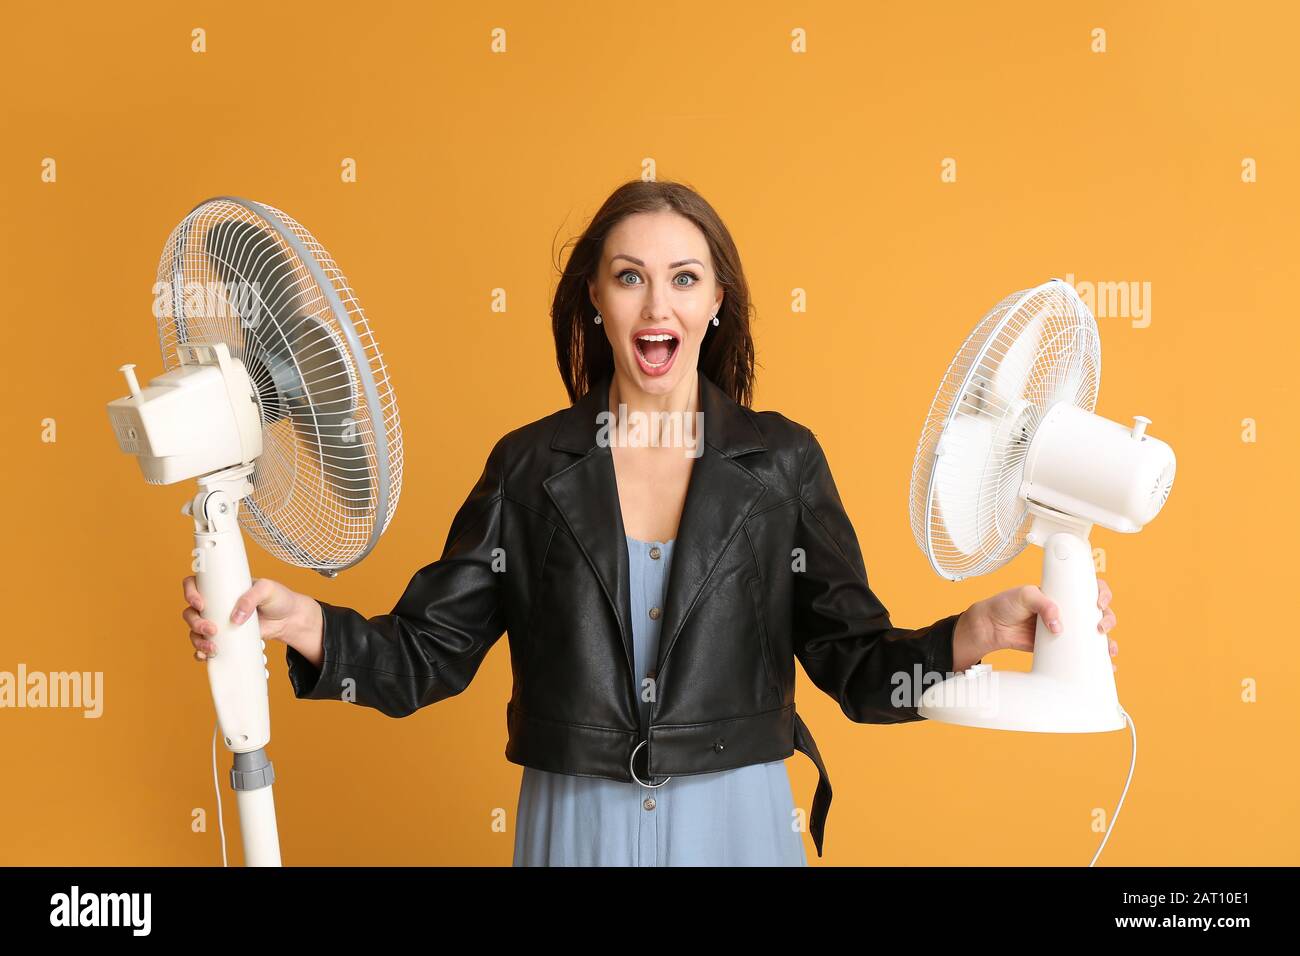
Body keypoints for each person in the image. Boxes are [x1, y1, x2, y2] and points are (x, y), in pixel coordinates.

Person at [179, 179, 1120, 866]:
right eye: (629, 277)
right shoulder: (529, 464)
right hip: (571, 823)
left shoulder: (780, 462)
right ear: (596, 297)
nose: (656, 302)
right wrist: (308, 628)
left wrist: (975, 632)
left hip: (739, 824)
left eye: (683, 278)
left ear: (716, 303)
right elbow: (429, 653)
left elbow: (857, 666)